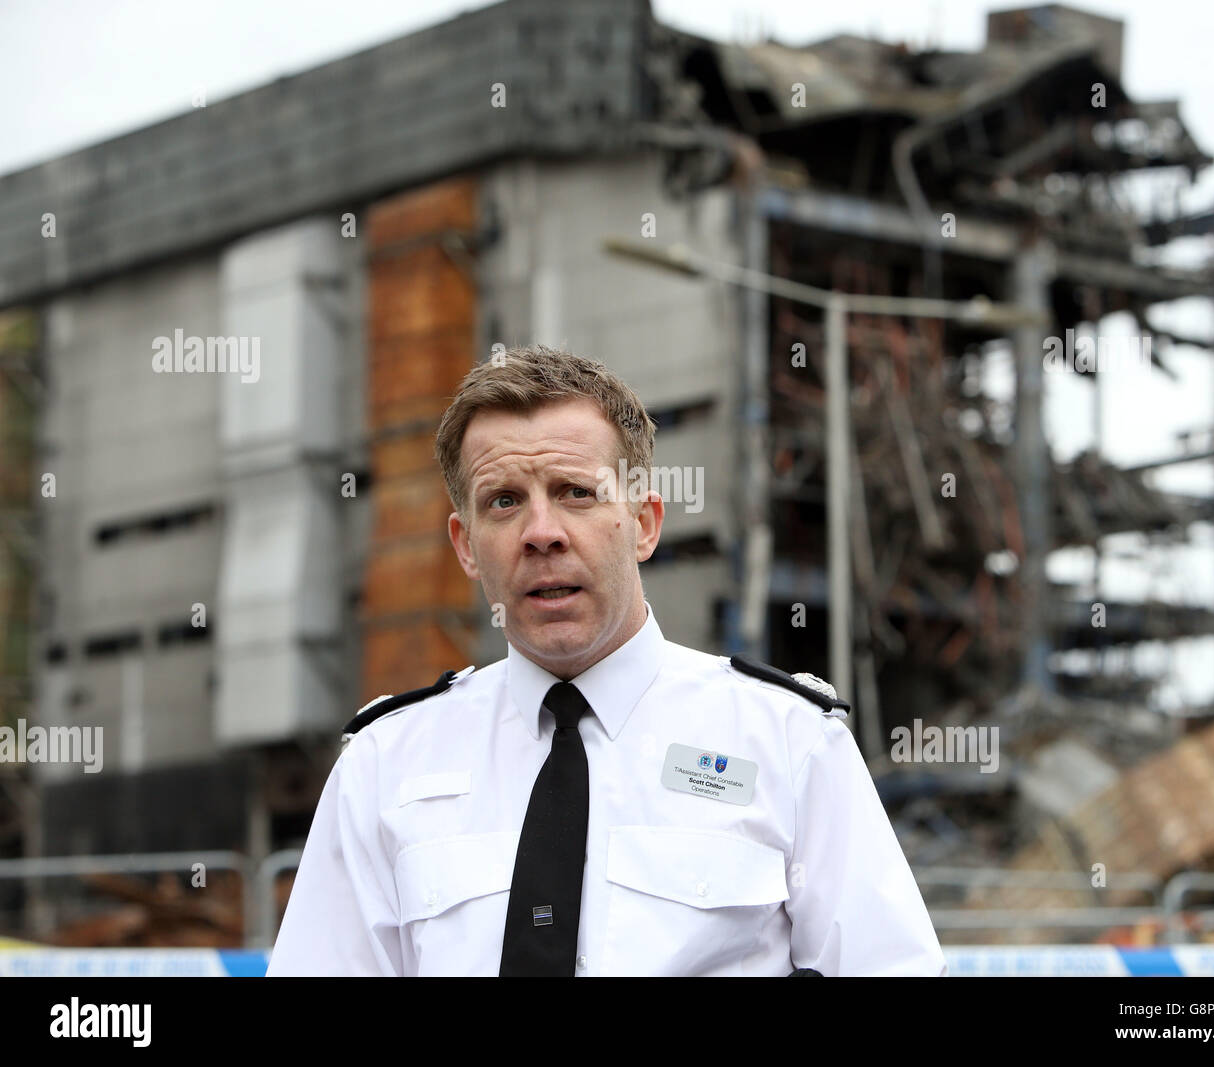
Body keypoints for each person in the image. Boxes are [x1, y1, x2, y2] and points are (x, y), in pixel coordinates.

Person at [266, 345, 946, 977]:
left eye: (576, 492)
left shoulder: (785, 741)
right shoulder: (385, 766)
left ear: (645, 523)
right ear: (466, 545)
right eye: (503, 502)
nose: (541, 533)